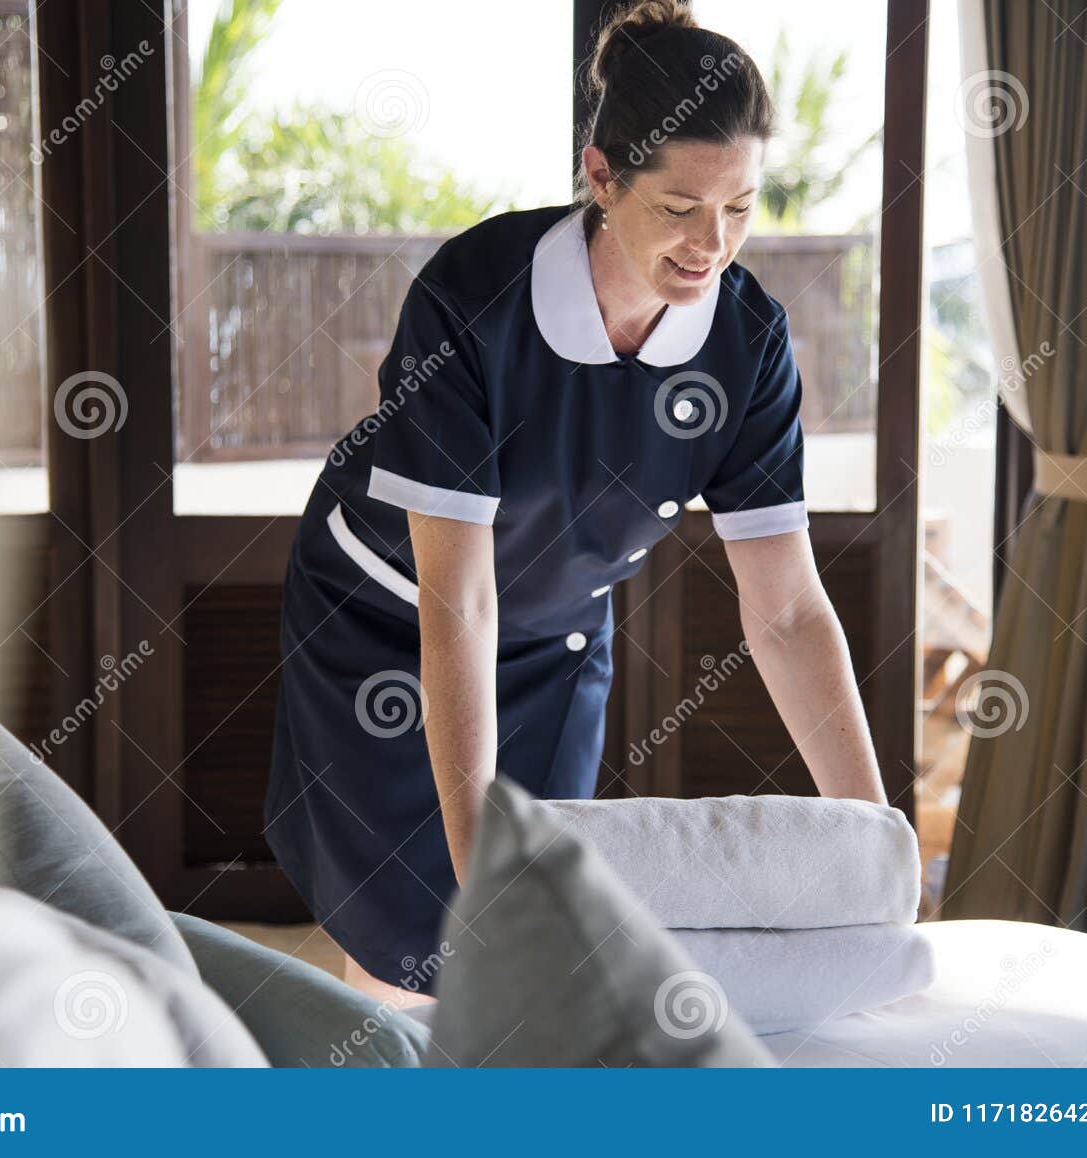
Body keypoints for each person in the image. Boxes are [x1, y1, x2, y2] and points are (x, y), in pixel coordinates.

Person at [265, 0, 885, 1001]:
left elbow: (785, 607)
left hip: (551, 635)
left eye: (740, 208)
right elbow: (454, 601)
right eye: (680, 209)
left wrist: (877, 846)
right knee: (411, 936)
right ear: (601, 175)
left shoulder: (746, 344)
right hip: (388, 618)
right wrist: (478, 878)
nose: (711, 244)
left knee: (540, 942)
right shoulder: (475, 302)